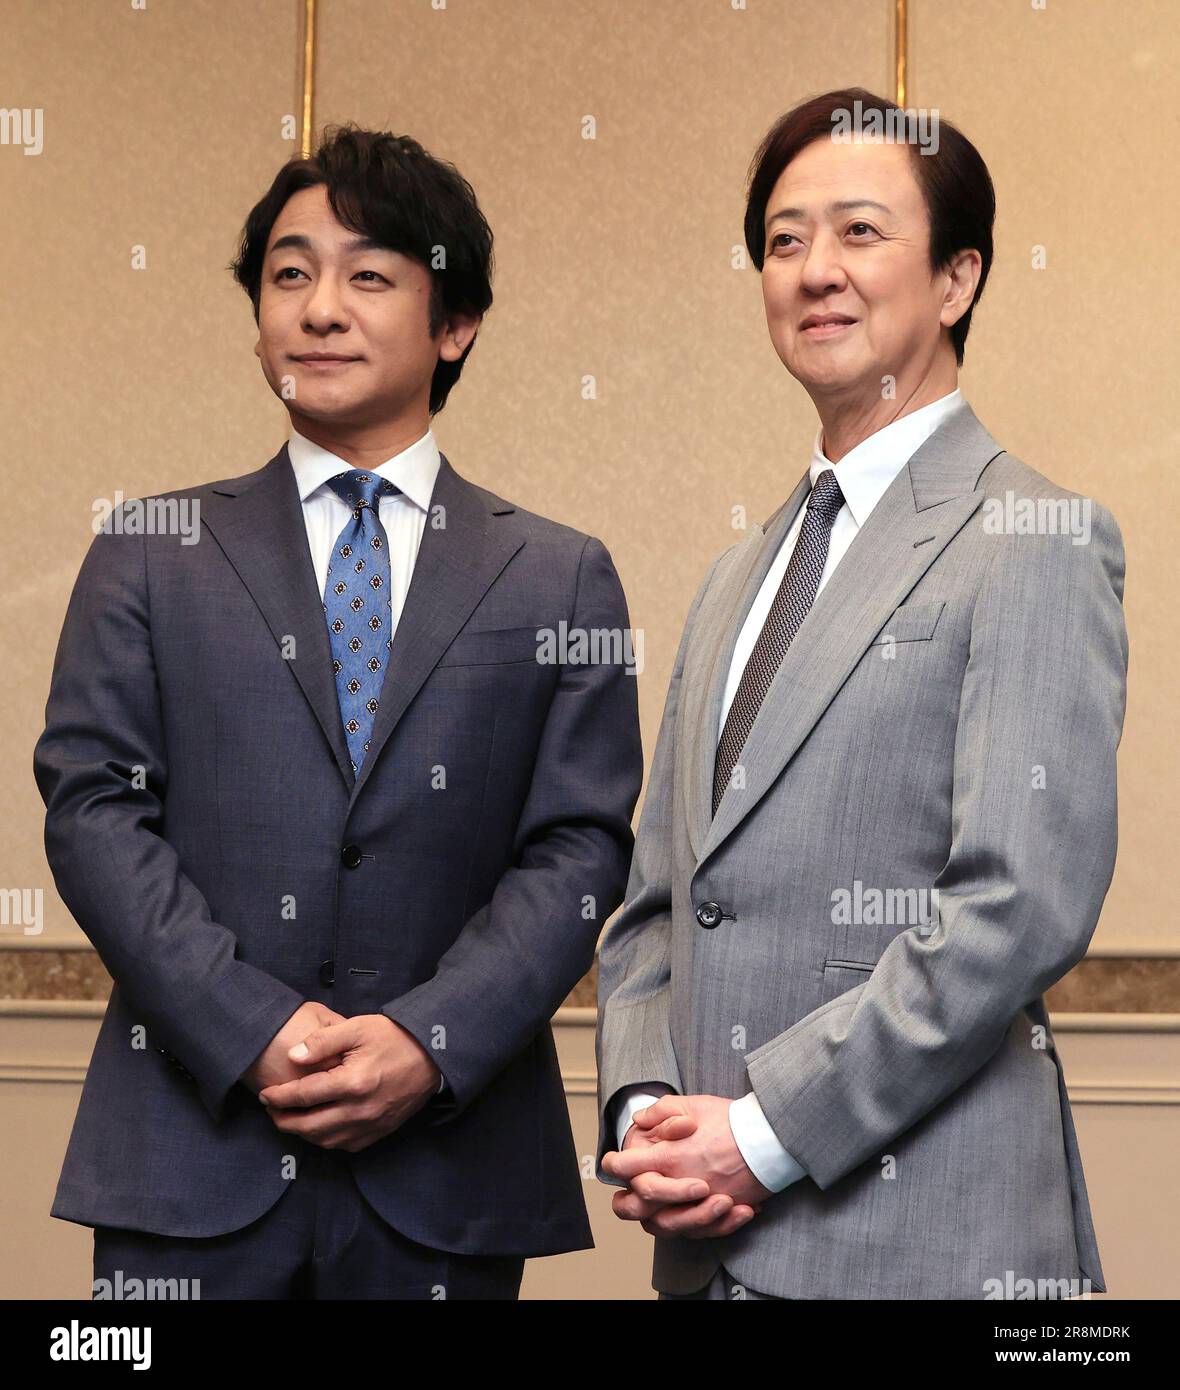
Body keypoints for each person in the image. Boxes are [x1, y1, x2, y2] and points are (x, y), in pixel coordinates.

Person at [34, 124, 642, 1300]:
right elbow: (93, 812)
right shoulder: (150, 550)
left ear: (454, 322)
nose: (319, 308)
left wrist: (428, 1040)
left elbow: (579, 845)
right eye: (288, 273)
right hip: (188, 1164)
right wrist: (253, 1027)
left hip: (446, 1178)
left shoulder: (560, 576)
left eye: (368, 275)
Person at [595, 87, 1127, 1301]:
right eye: (783, 242)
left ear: (956, 280)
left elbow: (1015, 904)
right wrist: (648, 1109)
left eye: (858, 233)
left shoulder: (1032, 535)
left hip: (926, 1249)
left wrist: (766, 1132)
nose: (812, 271)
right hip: (706, 1242)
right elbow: (659, 899)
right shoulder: (741, 570)